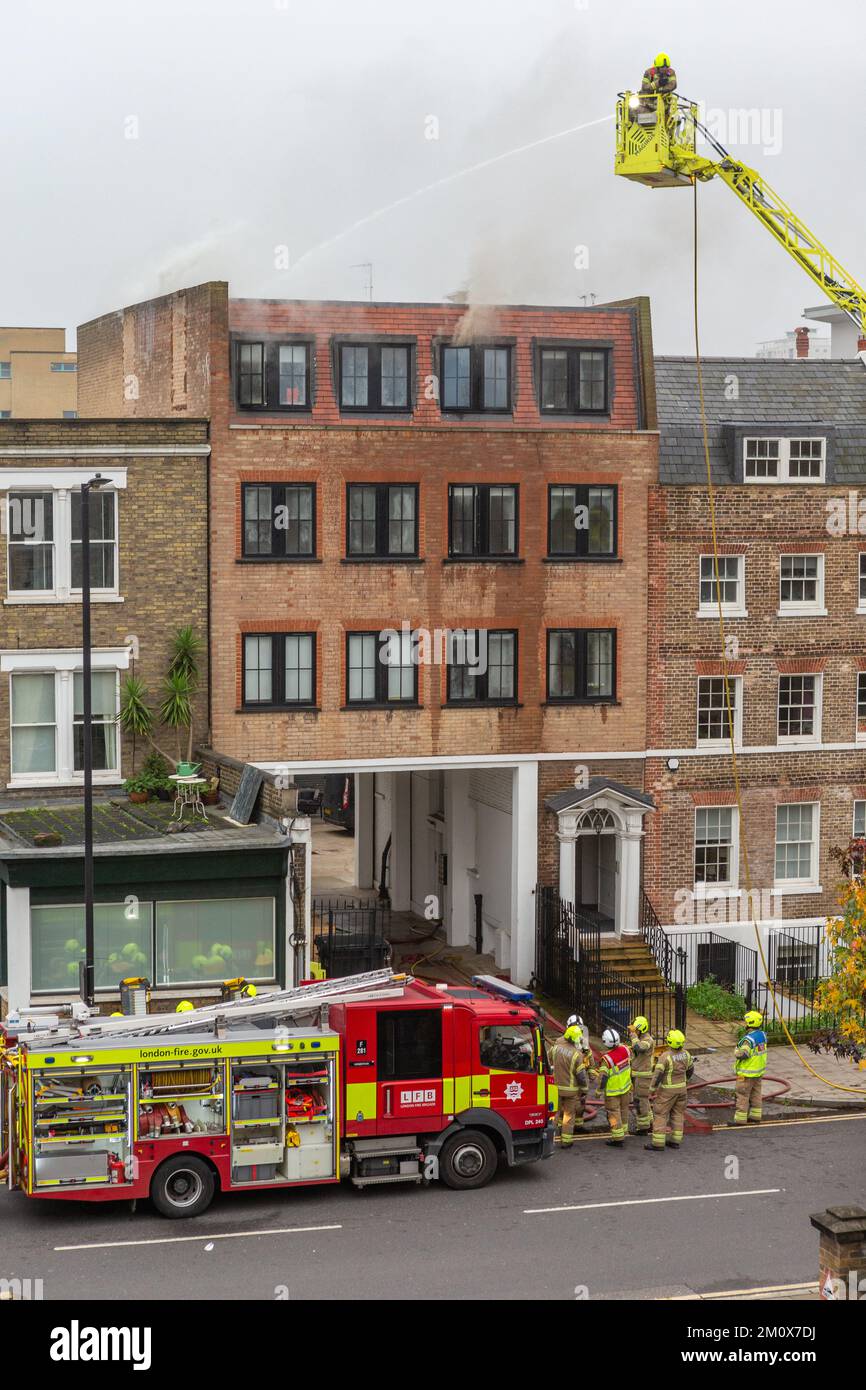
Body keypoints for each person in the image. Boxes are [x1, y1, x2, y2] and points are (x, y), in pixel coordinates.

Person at [645, 1028, 694, 1152]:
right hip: (682, 1090)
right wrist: (685, 1081)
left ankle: (658, 1143)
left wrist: (652, 1089)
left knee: (660, 1114)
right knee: (678, 1114)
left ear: (669, 1042)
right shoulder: (686, 1054)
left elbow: (658, 1075)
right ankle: (675, 1141)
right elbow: (690, 1070)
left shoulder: (665, 1057)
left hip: (667, 1091)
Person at [550, 1024, 590, 1148]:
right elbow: (581, 1076)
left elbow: (548, 1060)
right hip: (571, 1091)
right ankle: (566, 1141)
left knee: (554, 1114)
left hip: (555, 1087)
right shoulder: (576, 1054)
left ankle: (549, 1140)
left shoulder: (555, 1048)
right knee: (568, 1115)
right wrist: (584, 1089)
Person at [596, 1027, 632, 1147]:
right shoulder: (626, 1050)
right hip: (626, 1088)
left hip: (613, 1092)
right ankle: (624, 1131)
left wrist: (598, 1091)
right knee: (624, 1110)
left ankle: (618, 1138)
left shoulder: (607, 1060)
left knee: (614, 1113)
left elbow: (603, 1078)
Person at [732, 1010, 768, 1125]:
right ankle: (755, 1116)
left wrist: (736, 1051)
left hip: (746, 1074)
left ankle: (740, 1119)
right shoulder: (762, 1035)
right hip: (758, 1073)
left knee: (742, 1095)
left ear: (749, 1023)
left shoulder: (748, 1040)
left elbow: (744, 1054)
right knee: (756, 1094)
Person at [628, 1015, 655, 1137]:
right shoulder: (640, 1038)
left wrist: (633, 1037)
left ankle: (643, 1128)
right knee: (644, 1101)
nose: (633, 1032)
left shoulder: (647, 1040)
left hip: (643, 1077)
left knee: (640, 1101)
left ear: (641, 1029)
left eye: (635, 1030)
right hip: (638, 1075)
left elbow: (639, 1048)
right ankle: (649, 1123)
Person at [635, 52, 677, 123]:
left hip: (664, 105)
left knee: (673, 118)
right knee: (631, 110)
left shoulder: (671, 72)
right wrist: (658, 83)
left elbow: (673, 85)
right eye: (662, 67)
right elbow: (644, 87)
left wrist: (660, 90)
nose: (665, 69)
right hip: (648, 104)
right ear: (657, 67)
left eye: (666, 67)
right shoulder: (648, 72)